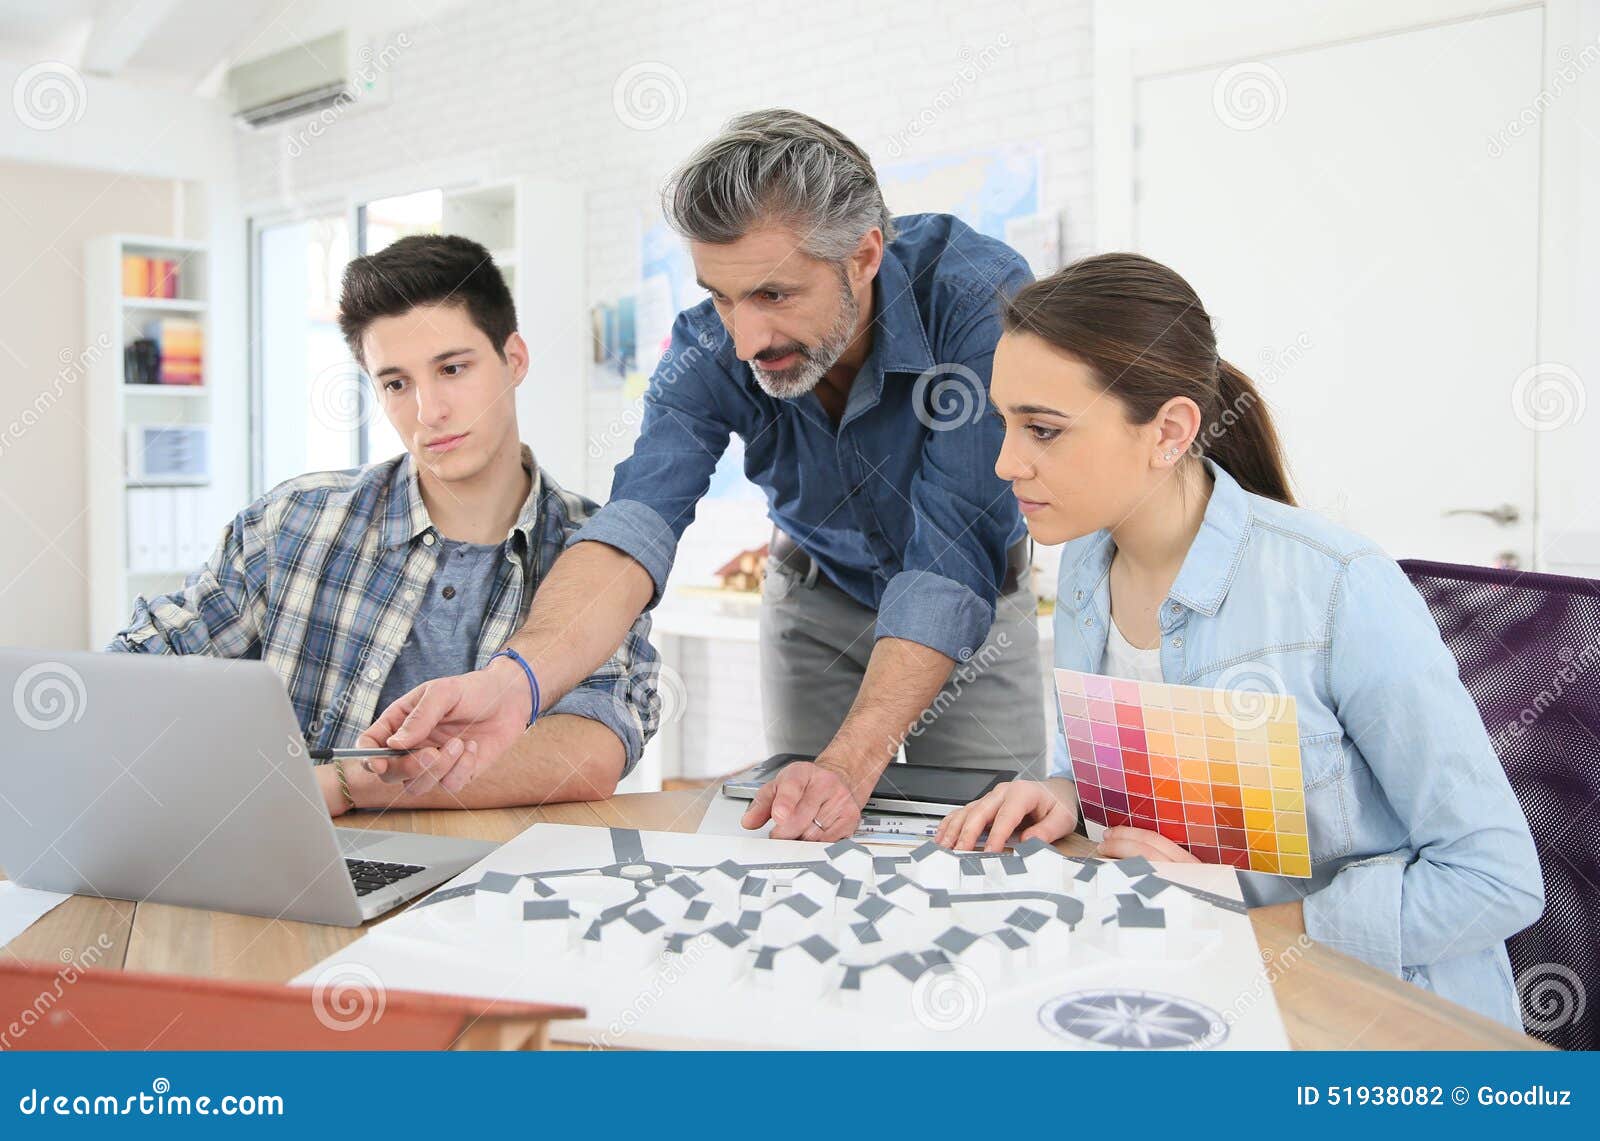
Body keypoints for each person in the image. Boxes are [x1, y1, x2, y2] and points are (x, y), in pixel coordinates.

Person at [364, 109, 1048, 840]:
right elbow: (636, 524)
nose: (746, 338)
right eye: (721, 296)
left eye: (774, 295)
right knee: (802, 833)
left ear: (863, 255)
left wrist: (853, 760)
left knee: (986, 834)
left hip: (970, 595)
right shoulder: (705, 348)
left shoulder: (977, 298)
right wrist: (513, 684)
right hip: (818, 592)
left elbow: (950, 551)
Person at [933, 252, 1543, 1028]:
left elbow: (1497, 879)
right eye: (1005, 422)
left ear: (1171, 431)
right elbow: (1138, 793)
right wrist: (1062, 797)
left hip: (1374, 1019)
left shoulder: (1338, 587)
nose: (1005, 462)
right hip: (1198, 989)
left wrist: (1242, 926)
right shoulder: (1086, 565)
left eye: (1043, 430)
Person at [108, 234, 660, 816]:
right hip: (303, 878)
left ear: (514, 359)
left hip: (500, 889)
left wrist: (347, 786)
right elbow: (145, 668)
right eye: (396, 383)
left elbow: (591, 747)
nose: (429, 411)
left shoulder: (595, 548)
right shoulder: (291, 523)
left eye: (452, 368)